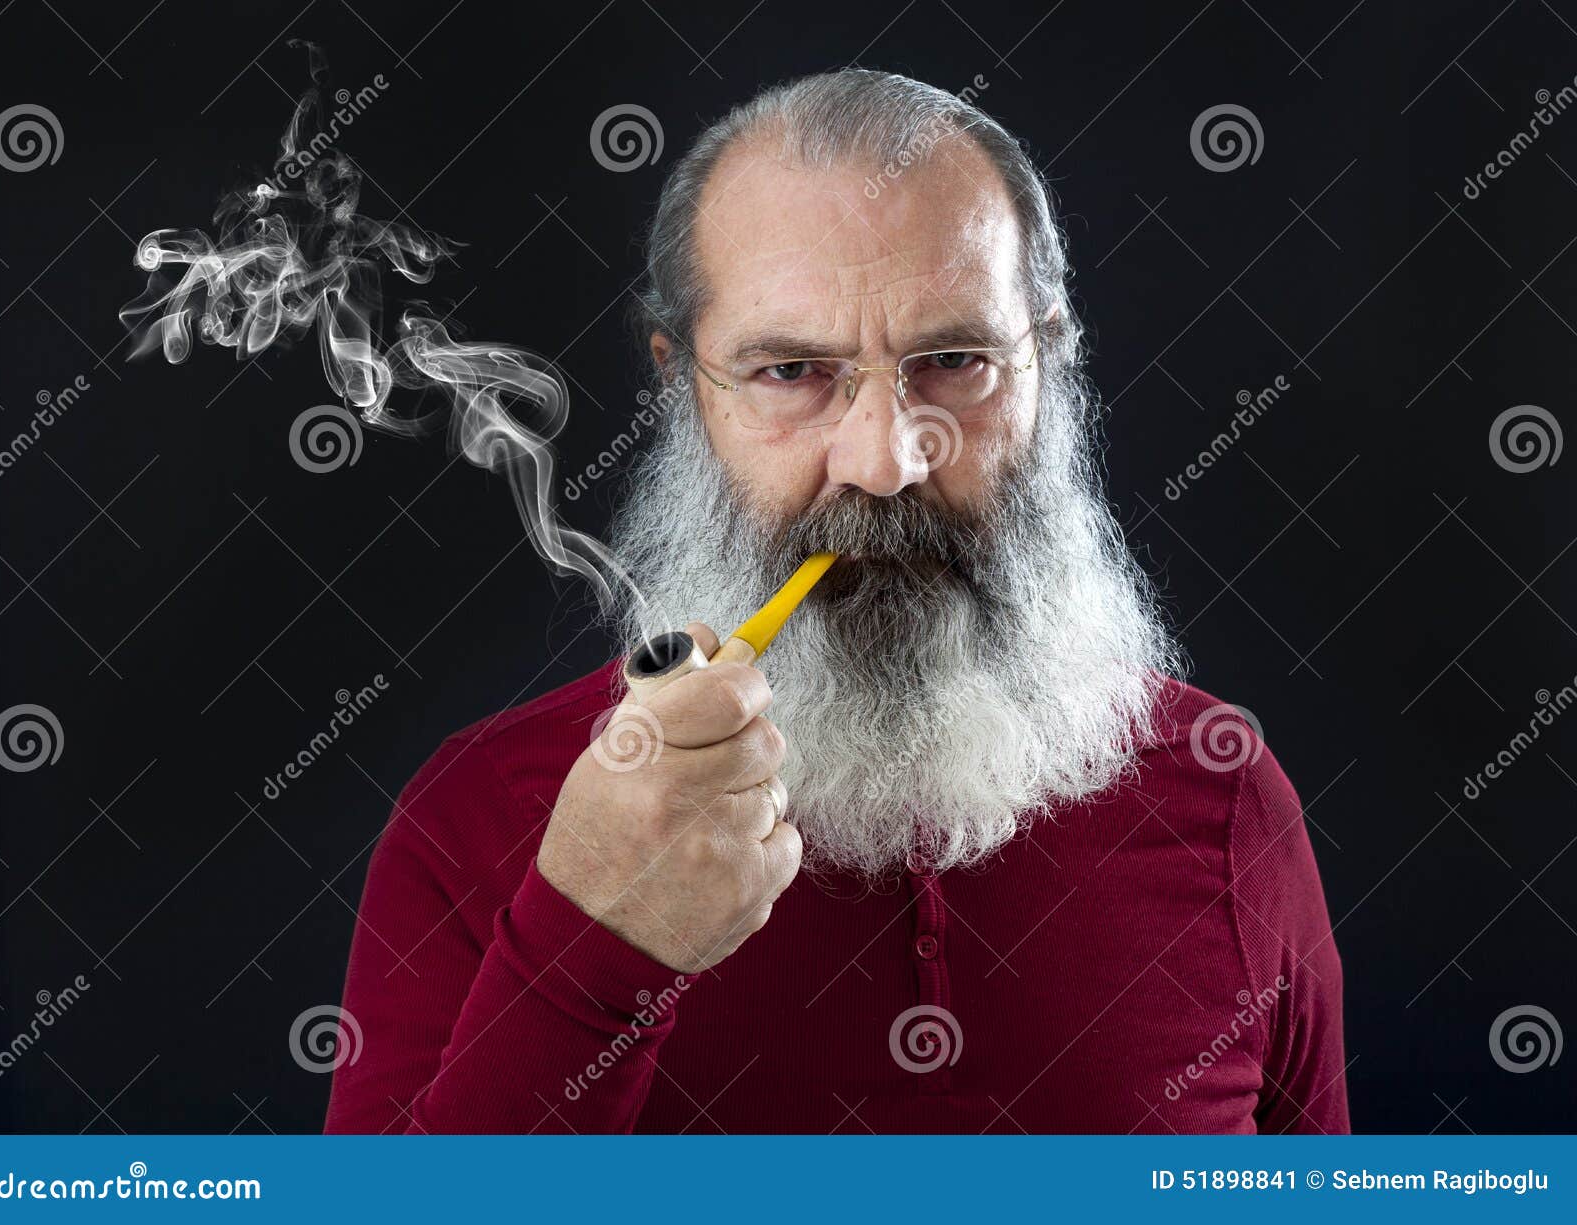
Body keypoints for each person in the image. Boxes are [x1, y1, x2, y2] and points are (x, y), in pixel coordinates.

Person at [324, 68, 1349, 1134]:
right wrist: (591, 949)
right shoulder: (478, 822)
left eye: (954, 360)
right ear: (680, 385)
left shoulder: (1222, 797)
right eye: (791, 372)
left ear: (1048, 356)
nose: (885, 462)